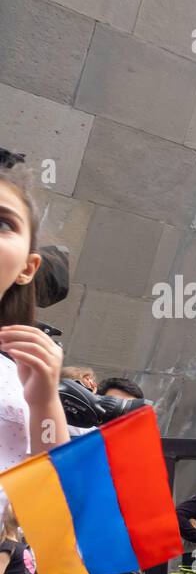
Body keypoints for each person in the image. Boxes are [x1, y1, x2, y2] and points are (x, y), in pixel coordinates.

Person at [0, 162, 72, 469]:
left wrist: (44, 404)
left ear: (27, 268)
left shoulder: (20, 380)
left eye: (3, 223)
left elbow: (56, 497)